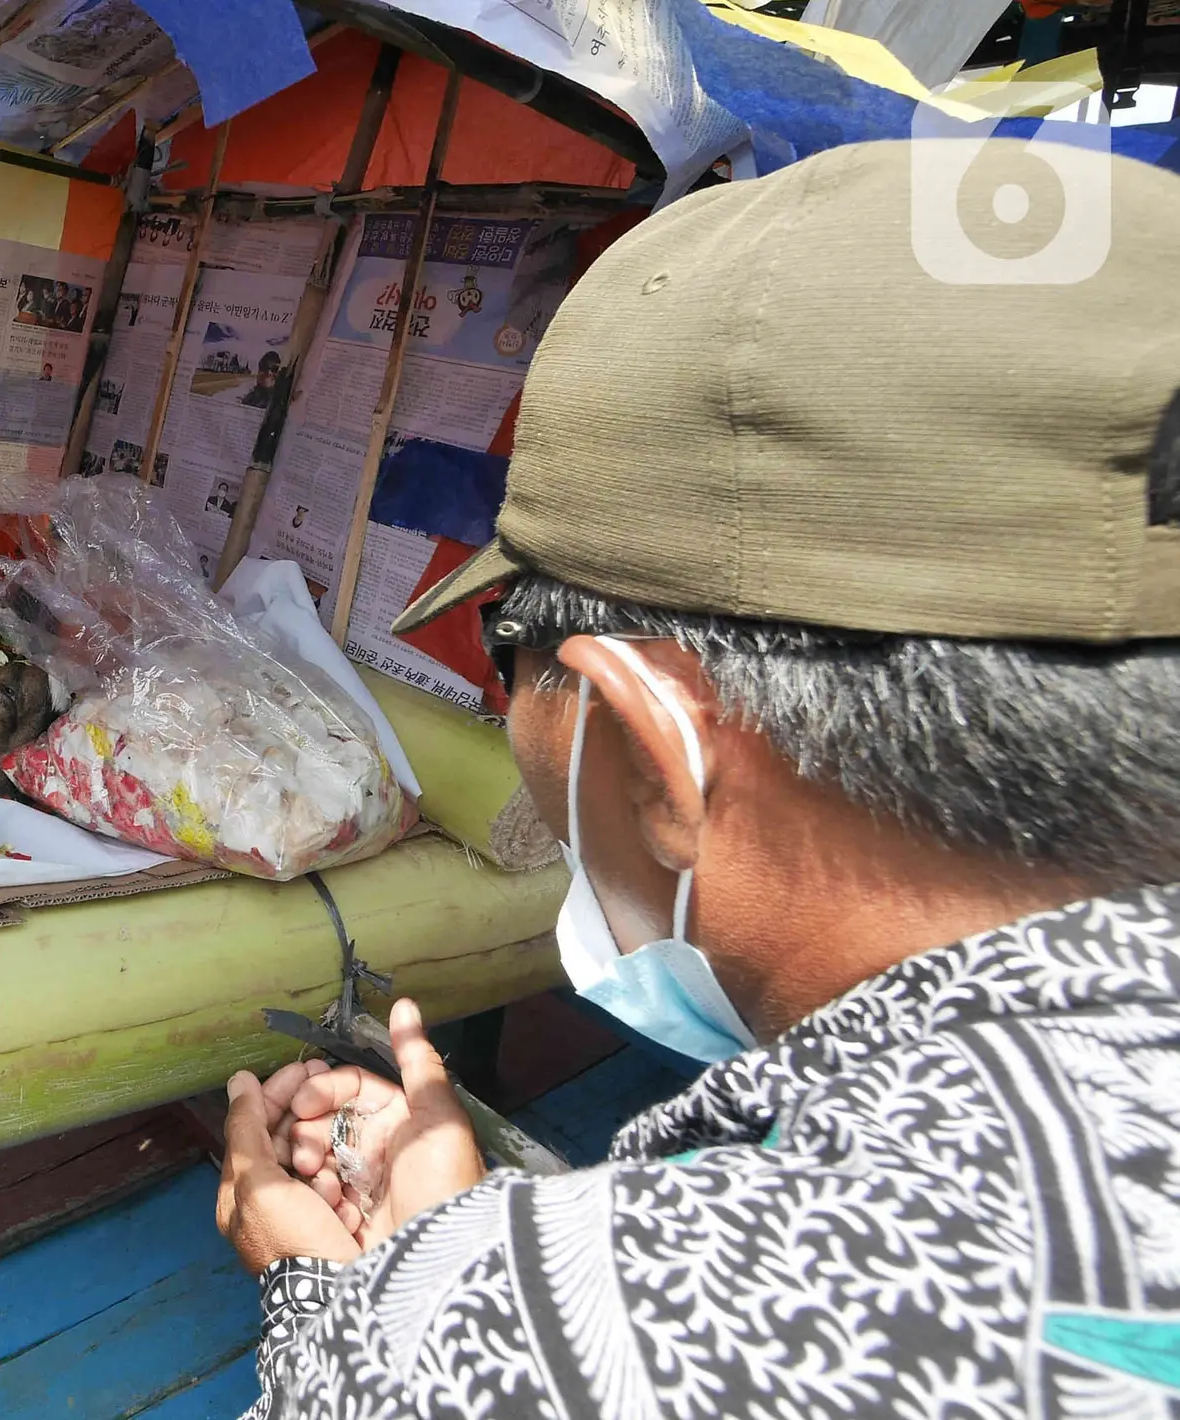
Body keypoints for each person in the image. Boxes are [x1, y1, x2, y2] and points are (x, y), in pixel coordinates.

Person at [218, 139, 1180, 1416]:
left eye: (512, 653)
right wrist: (482, 1242)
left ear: (653, 749)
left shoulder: (554, 1351)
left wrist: (344, 1302)